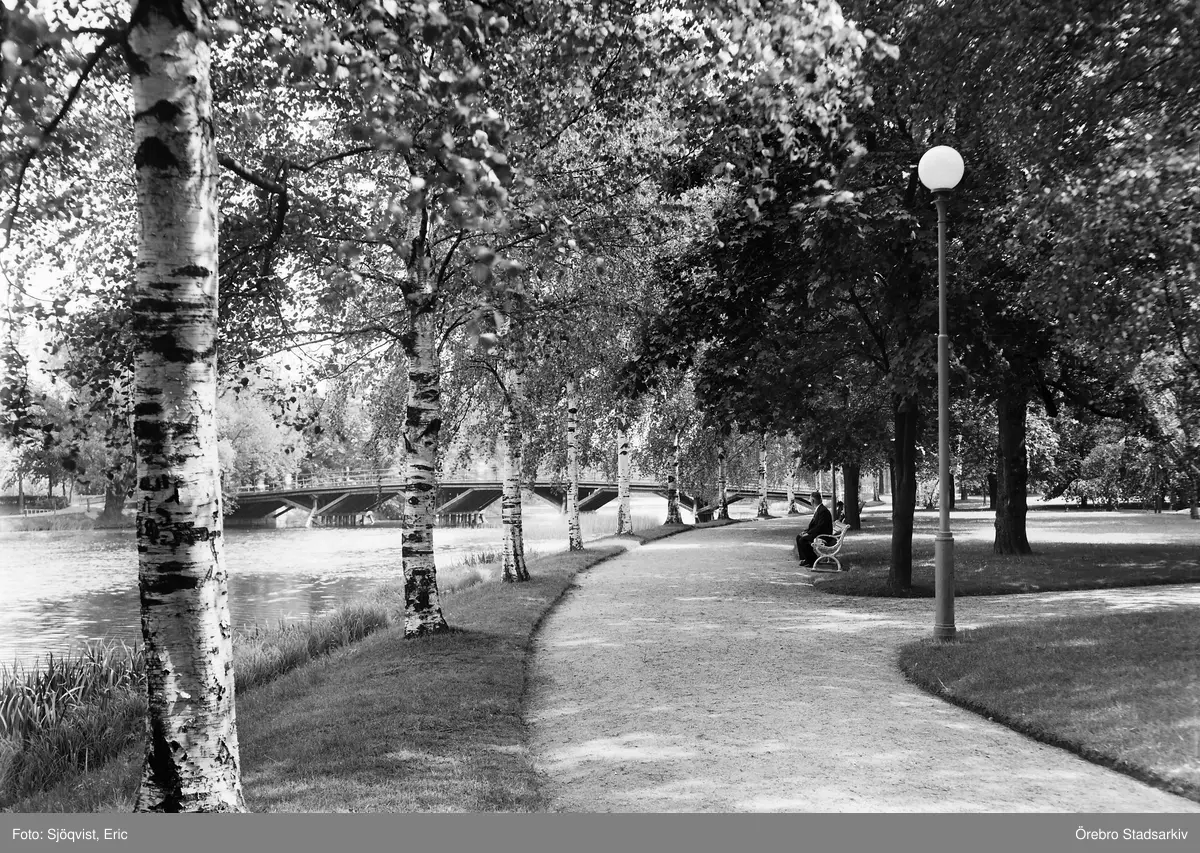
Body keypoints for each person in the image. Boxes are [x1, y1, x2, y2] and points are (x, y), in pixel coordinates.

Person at [796, 490, 833, 568]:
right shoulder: (820, 509)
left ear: (812, 500)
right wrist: (806, 531)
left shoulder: (823, 511)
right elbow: (815, 526)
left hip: (823, 536)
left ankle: (811, 561)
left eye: (810, 500)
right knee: (799, 537)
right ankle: (806, 559)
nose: (810, 501)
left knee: (803, 540)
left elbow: (820, 527)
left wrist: (808, 533)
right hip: (819, 533)